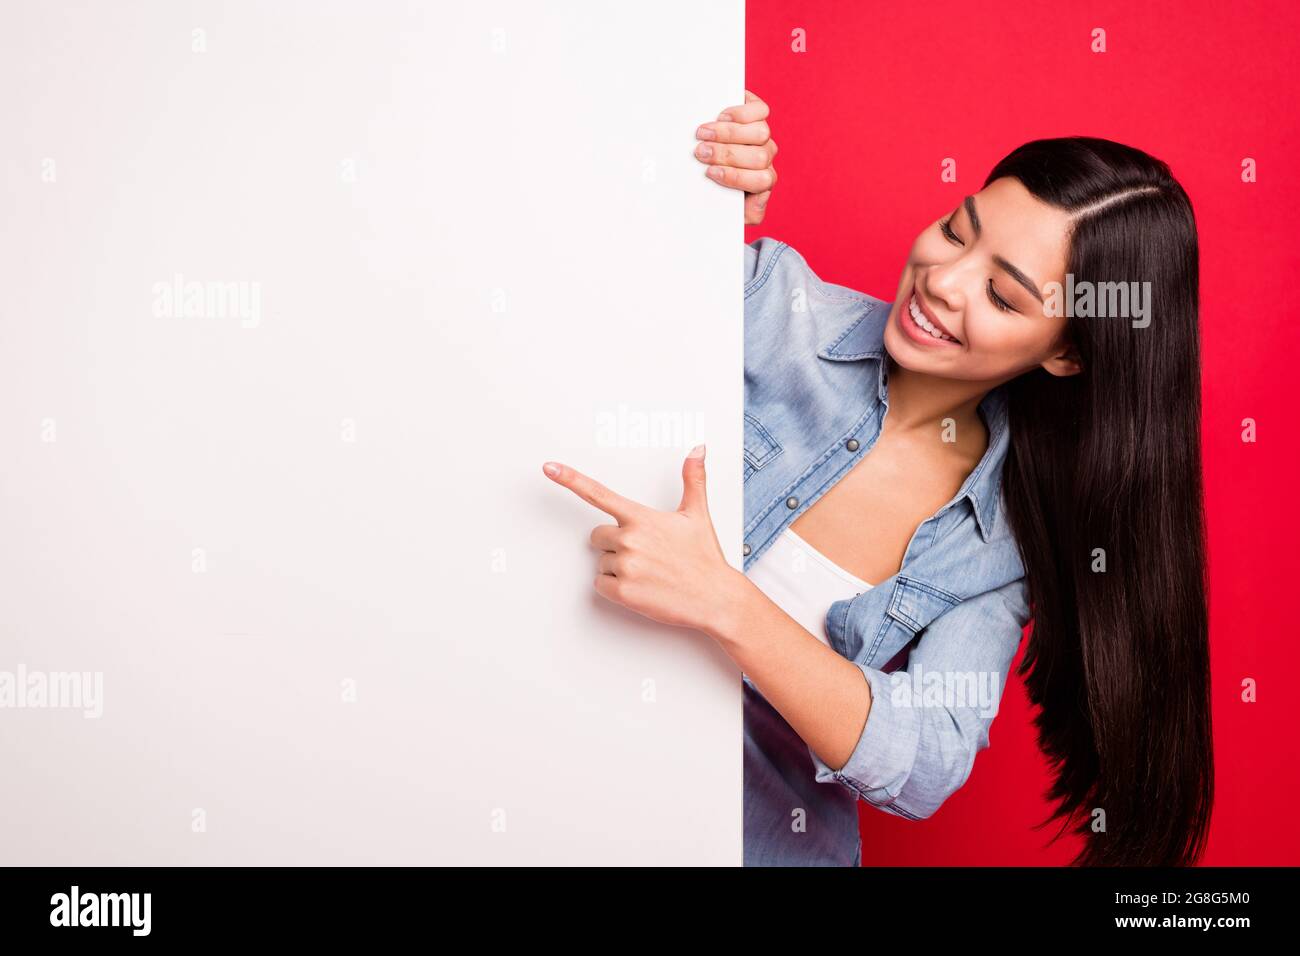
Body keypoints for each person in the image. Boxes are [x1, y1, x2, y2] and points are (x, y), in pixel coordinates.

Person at [542, 91, 1213, 867]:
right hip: (547, 784)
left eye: (1002, 294)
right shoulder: (774, 312)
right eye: (956, 231)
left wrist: (724, 600)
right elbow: (582, 258)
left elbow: (926, 761)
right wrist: (697, 197)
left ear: (1066, 353)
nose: (944, 280)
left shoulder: (996, 547)